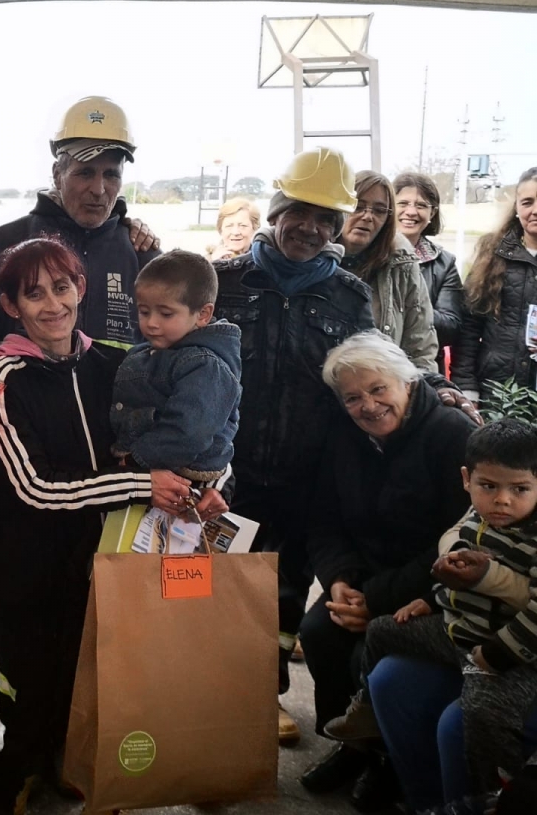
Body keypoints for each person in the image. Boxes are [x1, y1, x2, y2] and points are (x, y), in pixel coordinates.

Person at [0, 237, 210, 814]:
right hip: (29, 563)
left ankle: (64, 762)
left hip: (106, 557)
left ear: (81, 289)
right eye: (33, 294)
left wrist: (205, 483)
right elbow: (33, 487)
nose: (52, 304)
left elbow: (180, 431)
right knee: (29, 678)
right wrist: (141, 486)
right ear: (12, 306)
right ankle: (15, 778)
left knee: (86, 670)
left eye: (62, 287)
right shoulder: (4, 376)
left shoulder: (119, 361)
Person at [212, 146, 377, 747]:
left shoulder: (350, 298)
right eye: (298, 213)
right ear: (275, 212)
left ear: (336, 228)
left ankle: (268, 694)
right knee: (226, 589)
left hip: (308, 478)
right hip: (230, 476)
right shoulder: (222, 282)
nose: (309, 229)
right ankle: (224, 694)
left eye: (325, 220)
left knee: (286, 593)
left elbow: (369, 376)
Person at [297, 331, 473, 810]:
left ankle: (391, 759)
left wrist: (374, 599)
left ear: (408, 383)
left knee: (366, 656)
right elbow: (324, 519)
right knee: (318, 632)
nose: (368, 406)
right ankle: (353, 745)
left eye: (379, 390)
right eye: (353, 397)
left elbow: (457, 545)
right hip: (361, 576)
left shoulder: (451, 434)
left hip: (430, 587)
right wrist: (339, 580)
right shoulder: (344, 435)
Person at [360, 419, 537, 814]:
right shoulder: (477, 517)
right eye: (489, 486)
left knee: (479, 712)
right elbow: (453, 565)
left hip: (506, 654)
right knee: (382, 631)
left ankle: (490, 800)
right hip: (458, 629)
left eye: (519, 489)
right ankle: (363, 715)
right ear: (467, 479)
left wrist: (497, 655)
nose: (502, 501)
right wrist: (433, 599)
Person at [0, 96, 160, 360]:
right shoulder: (6, 243)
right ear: (58, 174)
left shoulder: (142, 252)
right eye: (85, 173)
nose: (99, 190)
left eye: (111, 175)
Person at [110, 249, 240, 506]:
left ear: (203, 314)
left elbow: (189, 431)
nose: (151, 323)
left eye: (166, 314)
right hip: (150, 471)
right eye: (144, 311)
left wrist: (135, 462)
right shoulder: (151, 351)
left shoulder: (206, 365)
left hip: (182, 478)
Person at [340, 170, 439, 372]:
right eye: (358, 206)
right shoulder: (312, 257)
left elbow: (420, 347)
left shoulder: (401, 263)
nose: (367, 216)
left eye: (379, 210)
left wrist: (423, 394)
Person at [454, 168, 537, 404]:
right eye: (527, 202)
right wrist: (466, 386)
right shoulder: (493, 253)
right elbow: (469, 325)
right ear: (517, 207)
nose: (535, 211)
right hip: (496, 393)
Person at [394, 172, 464, 376]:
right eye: (403, 203)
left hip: (424, 372)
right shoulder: (369, 254)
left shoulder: (444, 263)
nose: (411, 212)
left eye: (421, 205)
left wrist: (402, 306)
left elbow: (451, 327)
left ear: (432, 213)